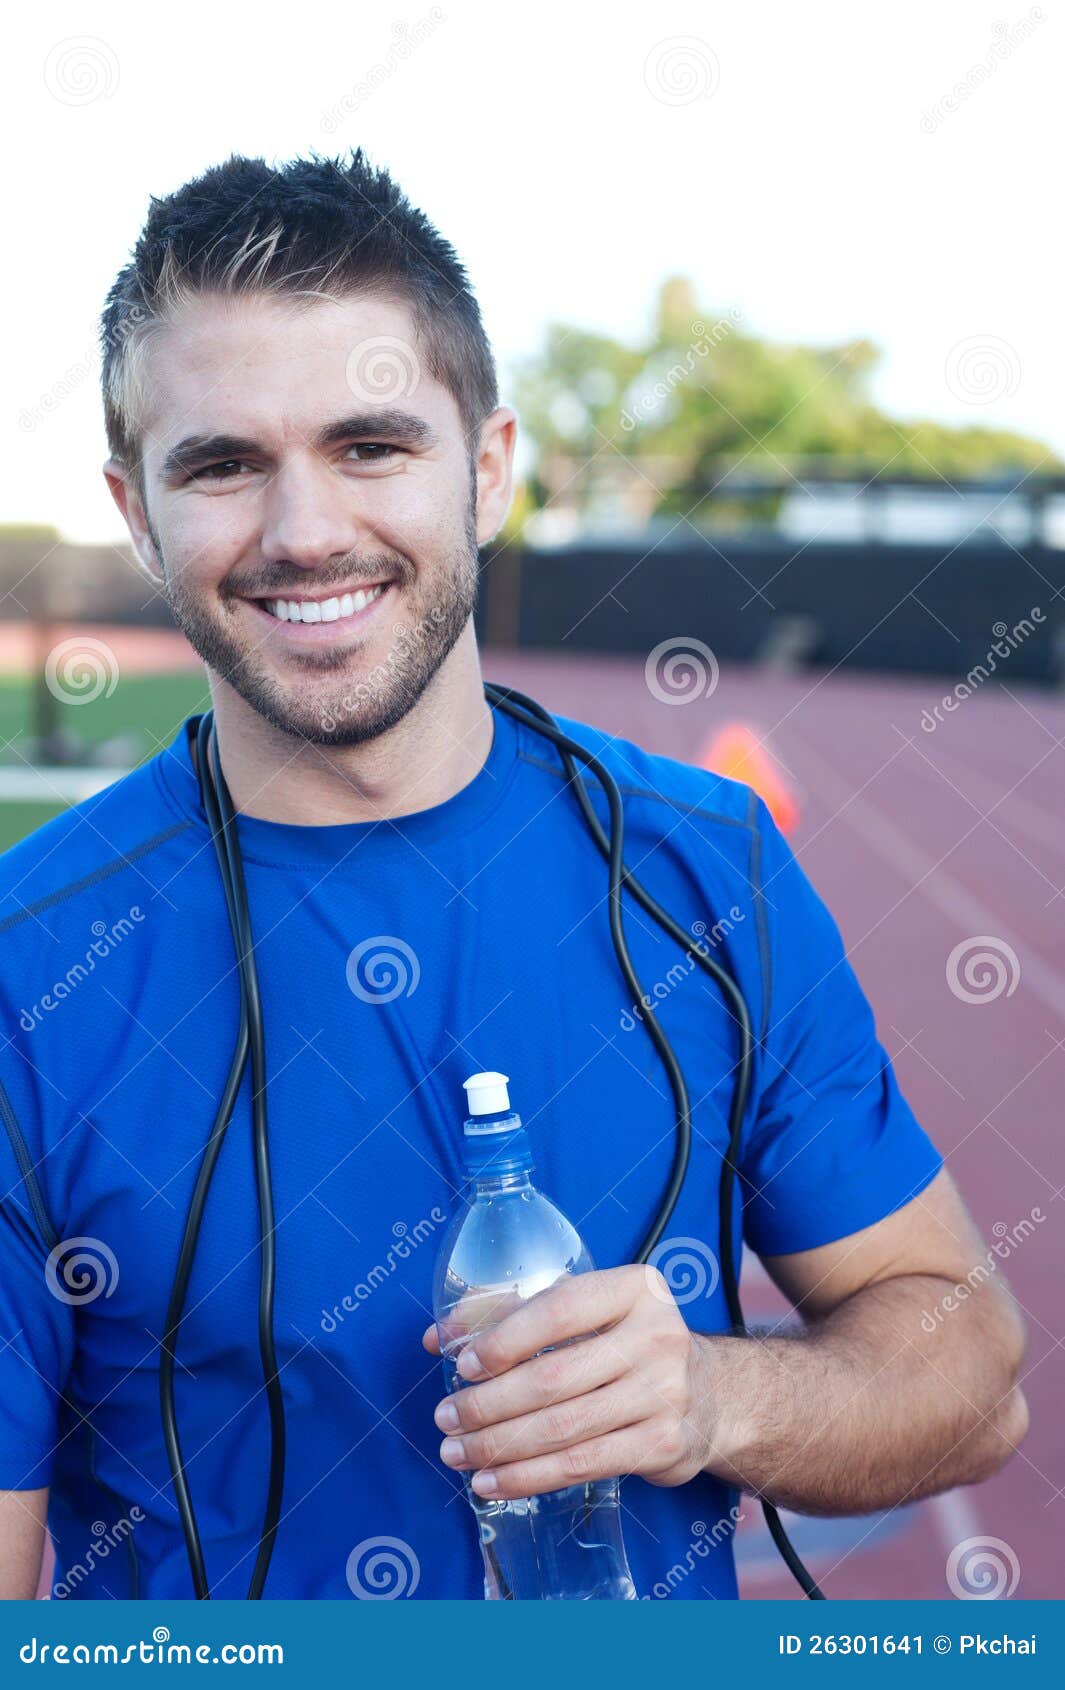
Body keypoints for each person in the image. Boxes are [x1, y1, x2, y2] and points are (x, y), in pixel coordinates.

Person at [0, 151, 1027, 1601]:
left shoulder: (707, 868)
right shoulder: (27, 969)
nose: (304, 532)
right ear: (134, 509)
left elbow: (966, 1370)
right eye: (223, 463)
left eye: (369, 446)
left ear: (485, 469)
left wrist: (709, 1400)